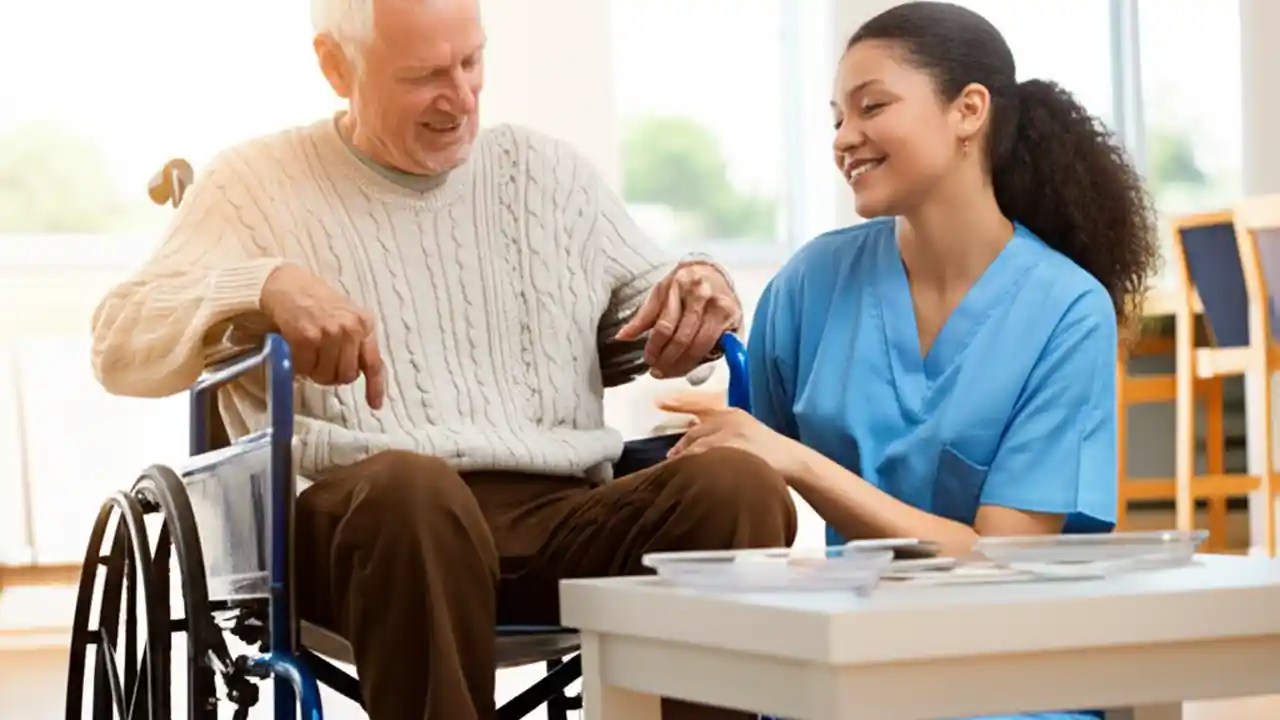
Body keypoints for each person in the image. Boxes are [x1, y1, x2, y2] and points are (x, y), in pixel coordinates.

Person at [89, 0, 795, 718]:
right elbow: (117, 342)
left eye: (472, 61)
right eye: (424, 74)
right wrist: (264, 286)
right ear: (337, 66)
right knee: (415, 492)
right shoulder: (253, 184)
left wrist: (697, 291)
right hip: (368, 524)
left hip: (557, 515)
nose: (460, 99)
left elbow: (648, 306)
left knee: (737, 486)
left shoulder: (545, 173)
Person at [661, 3, 1158, 718]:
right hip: (846, 670)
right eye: (835, 117)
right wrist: (698, 335)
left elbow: (998, 562)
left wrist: (799, 462)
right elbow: (740, 469)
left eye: (872, 107)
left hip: (1005, 675)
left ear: (968, 111)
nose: (843, 138)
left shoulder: (1066, 310)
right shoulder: (811, 284)